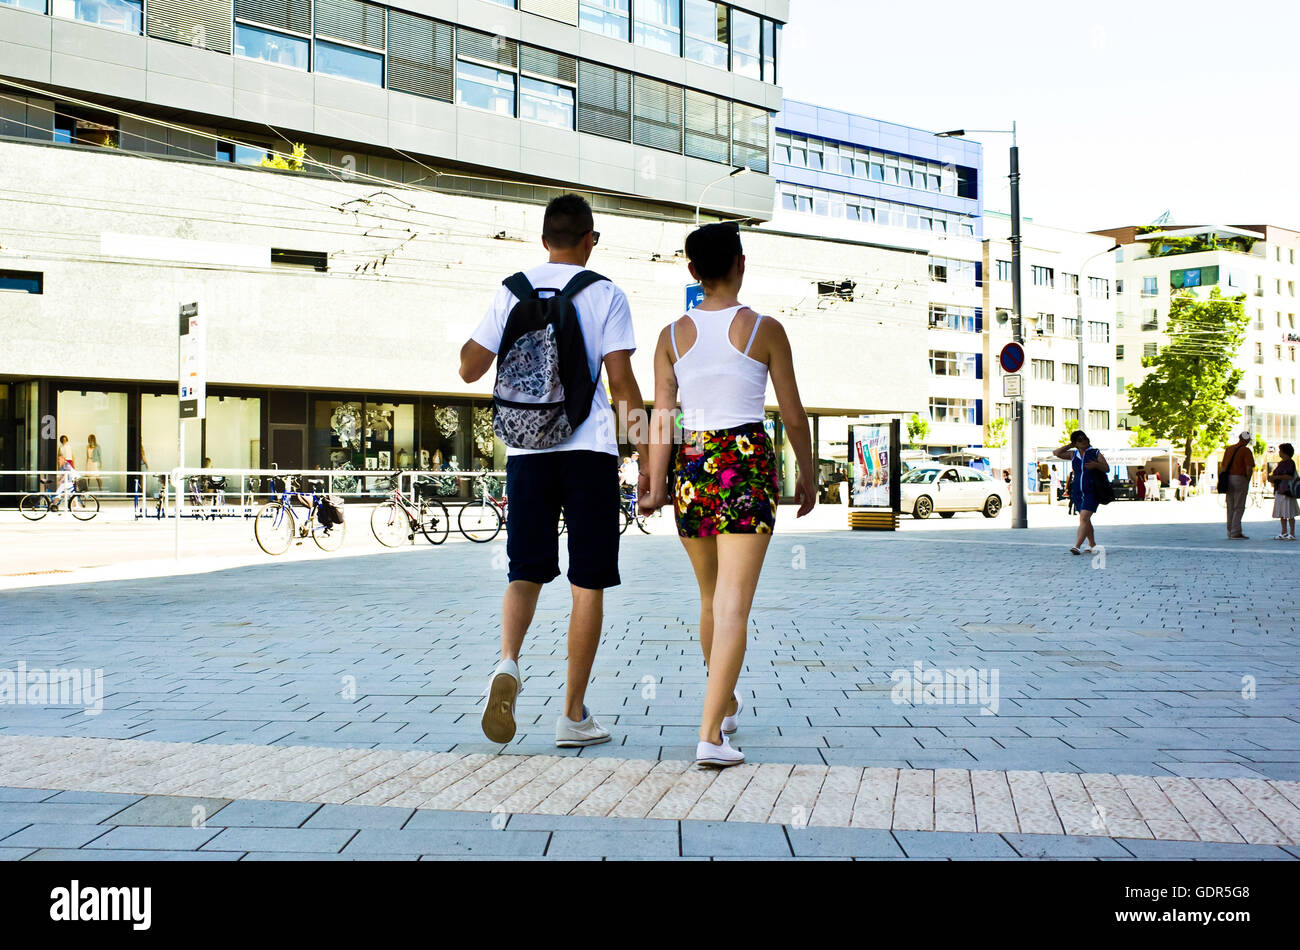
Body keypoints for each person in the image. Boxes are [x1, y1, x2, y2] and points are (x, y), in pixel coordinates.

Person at [459, 193, 647, 748]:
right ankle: (572, 715)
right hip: (589, 454)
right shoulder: (605, 294)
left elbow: (469, 369)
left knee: (526, 570)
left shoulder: (511, 289)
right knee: (587, 581)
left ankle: (510, 660)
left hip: (526, 453)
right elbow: (622, 385)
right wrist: (644, 447)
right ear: (589, 239)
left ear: (544, 239)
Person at [640, 222, 815, 768]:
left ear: (693, 272)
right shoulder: (766, 328)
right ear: (741, 263)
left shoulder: (670, 337)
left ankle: (726, 698)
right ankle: (711, 735)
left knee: (712, 598)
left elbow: (662, 418)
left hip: (692, 467)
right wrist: (806, 473)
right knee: (734, 605)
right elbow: (791, 410)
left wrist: (652, 483)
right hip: (746, 463)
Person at [1054, 430, 1108, 556]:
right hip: (1078, 491)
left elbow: (1106, 468)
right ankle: (1093, 545)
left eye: (1085, 438)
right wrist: (1070, 445)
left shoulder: (1095, 453)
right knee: (1085, 519)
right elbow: (1057, 453)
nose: (1084, 441)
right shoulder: (1074, 455)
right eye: (1080, 439)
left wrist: (1095, 465)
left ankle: (1077, 546)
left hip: (1092, 490)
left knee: (1084, 517)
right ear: (1075, 443)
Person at [1222, 430, 1255, 540]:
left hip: (1228, 478)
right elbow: (1249, 468)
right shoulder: (1246, 451)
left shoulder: (1229, 449)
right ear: (1247, 439)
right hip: (1240, 478)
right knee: (1239, 506)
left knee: (1230, 506)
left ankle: (1229, 530)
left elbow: (1223, 467)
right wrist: (1247, 480)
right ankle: (1236, 532)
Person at [1267, 442, 1297, 541]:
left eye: (1280, 451)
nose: (1279, 453)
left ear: (1285, 452)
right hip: (1280, 490)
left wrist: (1276, 477)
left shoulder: (1290, 463)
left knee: (1289, 513)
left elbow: (1289, 476)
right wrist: (1272, 478)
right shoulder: (1281, 463)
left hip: (1287, 491)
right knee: (1282, 513)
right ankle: (1284, 532)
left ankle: (1291, 533)